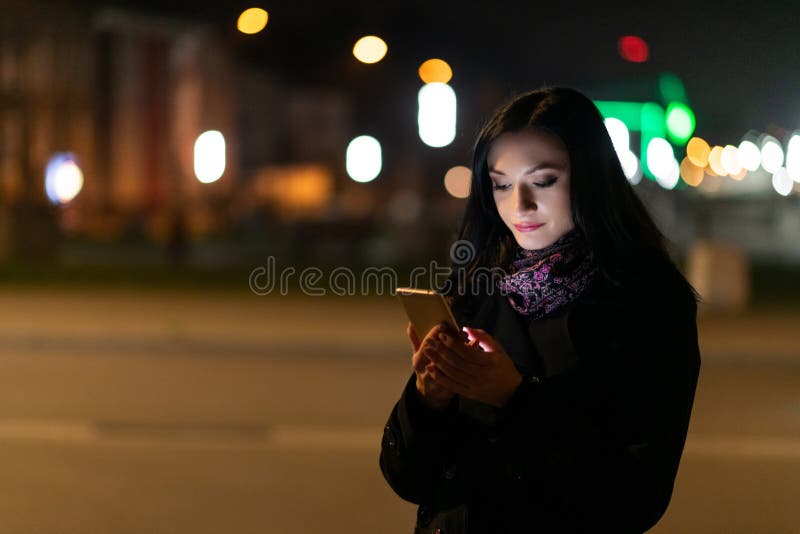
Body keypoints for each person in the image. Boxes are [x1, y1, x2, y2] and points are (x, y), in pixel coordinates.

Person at [379, 87, 701, 533]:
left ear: (591, 177)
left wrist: (515, 399)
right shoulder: (475, 288)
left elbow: (637, 496)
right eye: (501, 184)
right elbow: (409, 479)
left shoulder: (647, 303)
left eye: (543, 181)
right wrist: (427, 398)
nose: (520, 206)